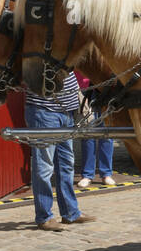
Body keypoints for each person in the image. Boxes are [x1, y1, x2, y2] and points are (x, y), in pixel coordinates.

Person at [26, 71, 94, 229]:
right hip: (44, 110)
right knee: (44, 166)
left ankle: (70, 212)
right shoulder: (36, 48)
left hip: (66, 112)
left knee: (66, 164)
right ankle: (44, 216)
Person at [75, 71, 116, 188]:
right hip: (85, 87)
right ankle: (87, 175)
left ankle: (106, 173)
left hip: (105, 88)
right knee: (88, 134)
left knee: (106, 134)